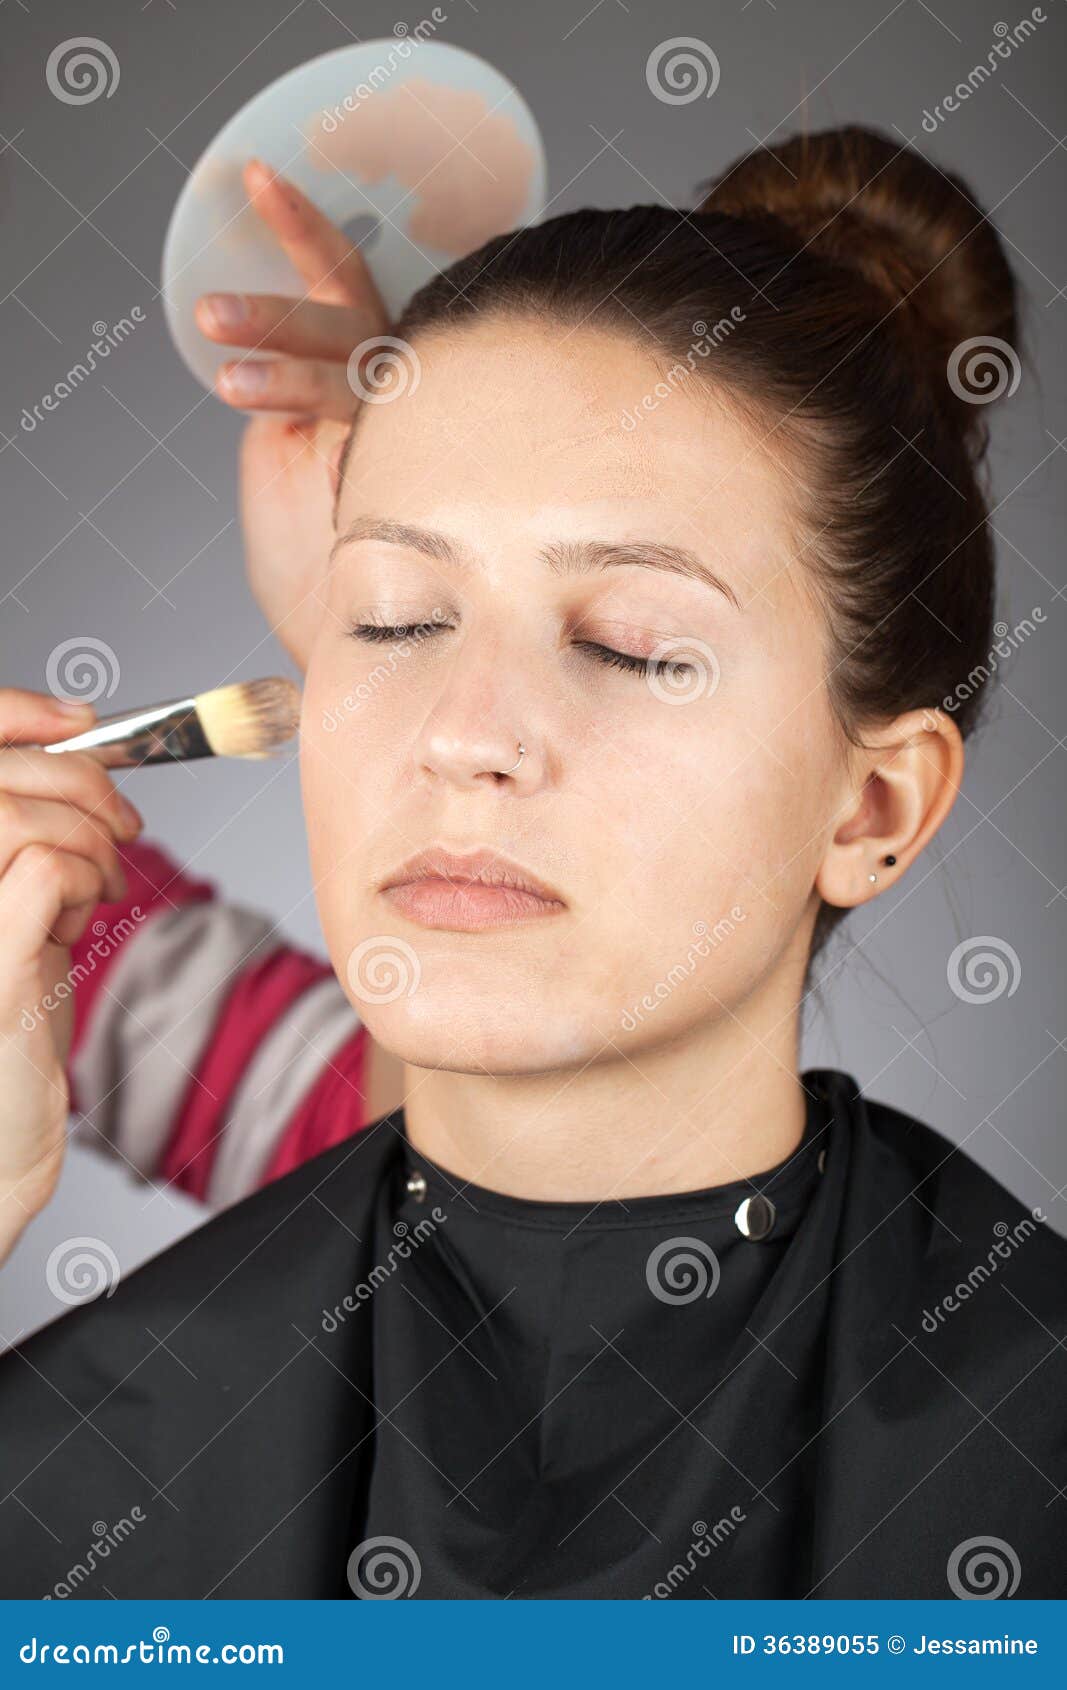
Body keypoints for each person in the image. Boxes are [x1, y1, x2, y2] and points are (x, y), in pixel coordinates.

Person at [0, 125, 1064, 1601]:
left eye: (629, 644)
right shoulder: (69, 1474)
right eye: (386, 619)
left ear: (874, 807)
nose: (462, 738)